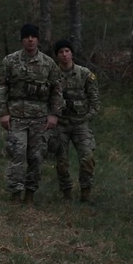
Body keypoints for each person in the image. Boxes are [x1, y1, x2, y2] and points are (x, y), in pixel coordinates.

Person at [0, 23, 63, 203]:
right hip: (16, 116)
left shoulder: (48, 63)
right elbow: (0, 87)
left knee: (36, 156)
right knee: (18, 153)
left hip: (39, 117)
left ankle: (30, 193)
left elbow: (57, 89)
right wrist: (3, 112)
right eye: (26, 37)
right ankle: (16, 193)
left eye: (33, 37)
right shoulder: (10, 61)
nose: (30, 40)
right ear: (22, 40)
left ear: (38, 40)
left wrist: (54, 114)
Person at [52, 39, 99, 202]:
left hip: (80, 124)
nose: (64, 55)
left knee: (87, 159)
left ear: (71, 53)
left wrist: (87, 116)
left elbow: (94, 99)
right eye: (60, 52)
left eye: (67, 51)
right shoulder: (53, 75)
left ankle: (85, 193)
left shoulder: (85, 74)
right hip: (61, 125)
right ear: (57, 56)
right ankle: (66, 193)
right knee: (62, 162)